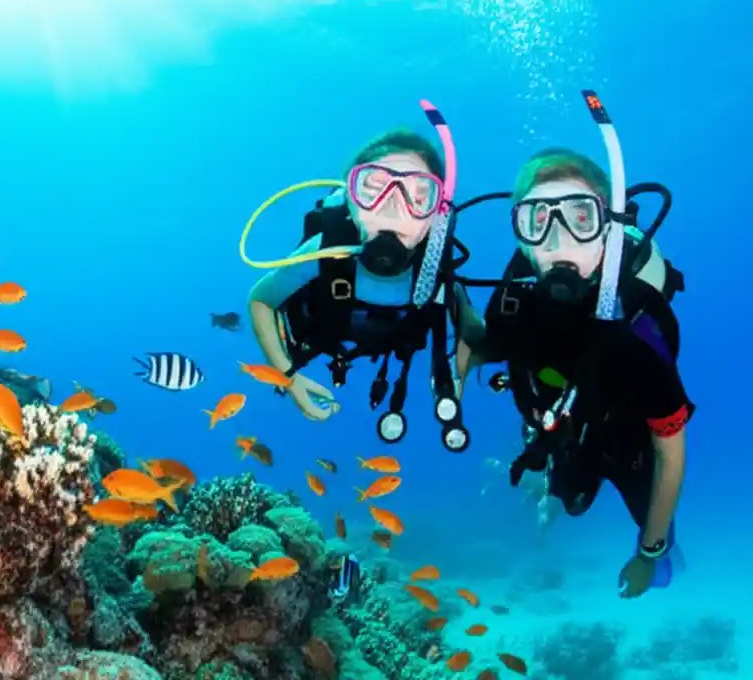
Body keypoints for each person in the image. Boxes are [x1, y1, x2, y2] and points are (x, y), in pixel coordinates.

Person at [456, 145, 692, 599]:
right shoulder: (514, 299)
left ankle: (664, 557)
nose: (557, 240)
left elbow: (672, 452)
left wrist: (648, 552)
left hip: (628, 441)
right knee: (574, 501)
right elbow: (490, 345)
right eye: (537, 220)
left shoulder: (638, 323)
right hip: (561, 428)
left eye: (580, 218)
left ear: (608, 226)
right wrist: (457, 322)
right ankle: (545, 479)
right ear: (521, 234)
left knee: (655, 529)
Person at [241, 101, 474, 450]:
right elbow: (261, 299)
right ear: (350, 201)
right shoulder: (326, 249)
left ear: (435, 215)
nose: (394, 208)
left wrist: (459, 377)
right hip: (324, 337)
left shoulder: (436, 264)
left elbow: (471, 328)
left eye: (419, 195)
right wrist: (288, 378)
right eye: (373, 188)